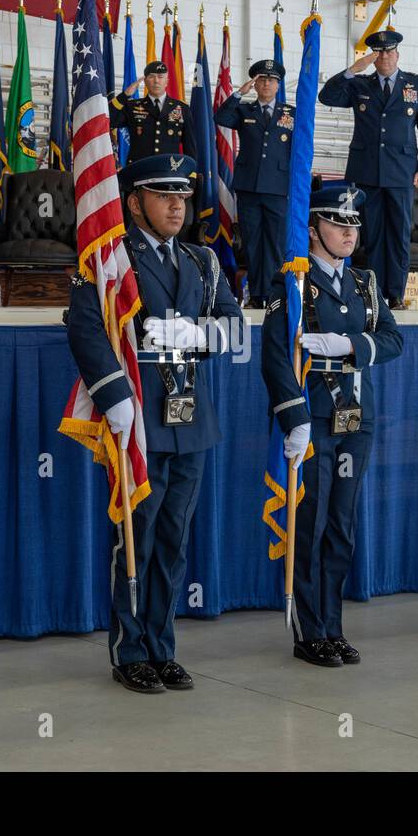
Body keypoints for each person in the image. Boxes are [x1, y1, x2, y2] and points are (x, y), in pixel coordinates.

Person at [65, 154, 244, 693]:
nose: (176, 205)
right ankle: (131, 650)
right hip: (140, 418)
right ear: (135, 200)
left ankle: (163, 645)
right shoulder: (112, 259)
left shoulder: (203, 261)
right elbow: (86, 329)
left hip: (191, 419)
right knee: (135, 537)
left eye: (182, 195)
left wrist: (198, 336)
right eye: (163, 194)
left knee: (173, 538)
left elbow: (236, 331)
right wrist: (114, 395)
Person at [261, 182, 403, 666]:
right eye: (338, 224)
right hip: (316, 417)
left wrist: (350, 346)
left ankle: (333, 626)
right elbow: (276, 357)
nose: (348, 232)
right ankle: (309, 631)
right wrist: (294, 417)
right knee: (311, 523)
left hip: (356, 418)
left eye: (353, 224)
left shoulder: (364, 282)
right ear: (313, 229)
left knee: (341, 526)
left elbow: (392, 340)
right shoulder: (293, 284)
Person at [318, 29, 418, 308]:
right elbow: (326, 96)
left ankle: (394, 294)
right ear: (372, 57)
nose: (384, 57)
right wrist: (352, 70)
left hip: (401, 172)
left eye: (389, 52)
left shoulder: (415, 85)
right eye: (379, 53)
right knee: (370, 234)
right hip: (366, 171)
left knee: (398, 235)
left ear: (397, 54)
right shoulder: (360, 84)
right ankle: (372, 292)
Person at [214, 59, 293, 307]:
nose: (267, 83)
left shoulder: (291, 113)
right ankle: (257, 294)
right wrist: (239, 93)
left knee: (275, 242)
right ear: (255, 84)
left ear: (278, 85)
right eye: (262, 79)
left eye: (271, 80)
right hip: (249, 186)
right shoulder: (244, 110)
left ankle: (273, 292)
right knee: (253, 241)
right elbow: (221, 117)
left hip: (278, 187)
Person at [110, 61, 197, 164]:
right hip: (139, 171)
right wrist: (124, 95)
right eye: (151, 77)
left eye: (160, 77)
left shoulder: (182, 108)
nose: (156, 81)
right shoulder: (132, 106)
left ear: (167, 81)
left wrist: (191, 173)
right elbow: (109, 121)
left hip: (169, 171)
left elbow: (190, 145)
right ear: (145, 81)